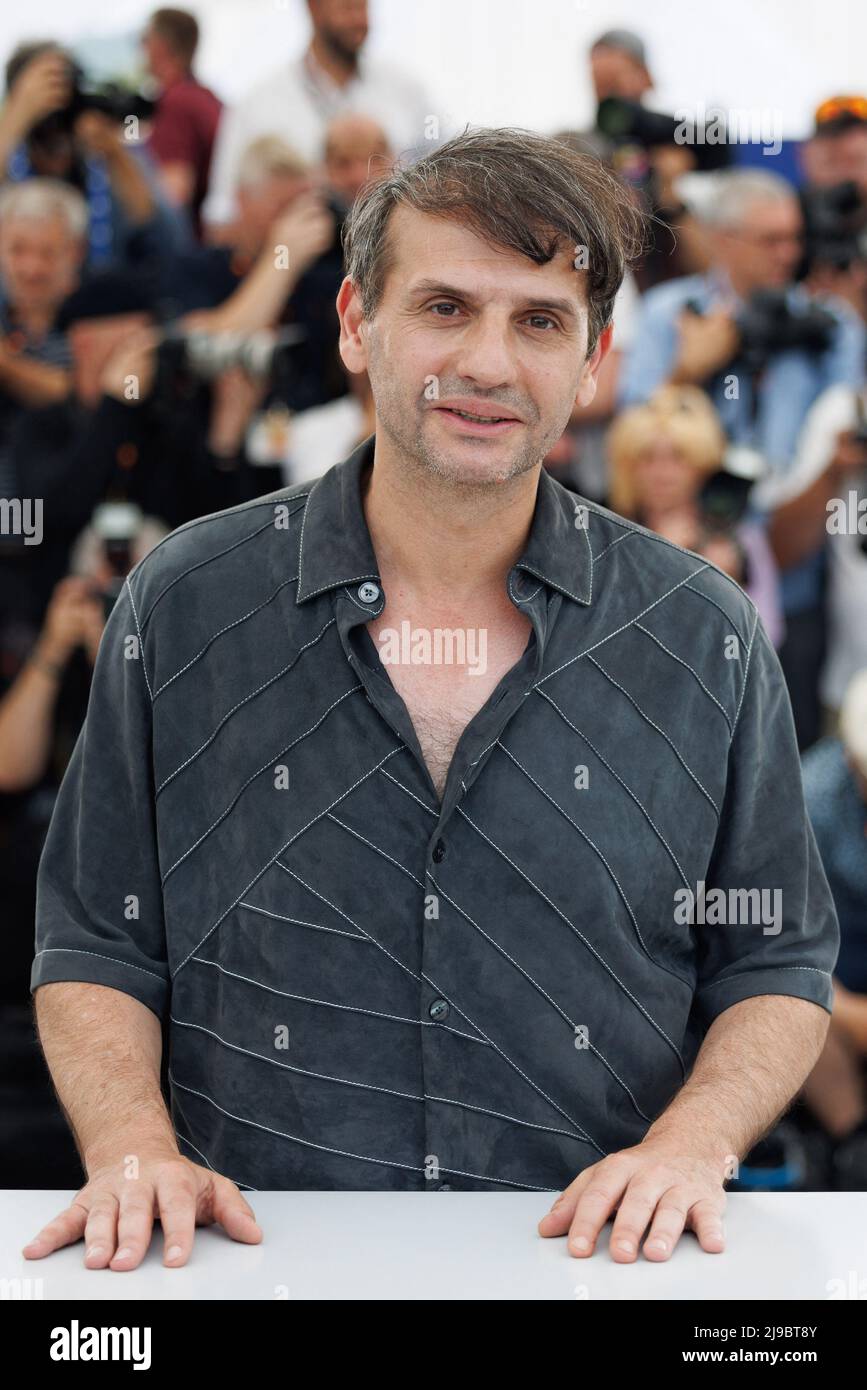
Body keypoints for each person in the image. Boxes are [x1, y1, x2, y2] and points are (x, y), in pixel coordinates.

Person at [26, 128, 837, 1274]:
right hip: (250, 1264)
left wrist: (693, 1144)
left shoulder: (701, 631)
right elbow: (98, 937)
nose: (491, 364)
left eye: (540, 320)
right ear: (360, 324)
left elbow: (775, 962)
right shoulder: (186, 602)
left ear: (597, 357)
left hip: (590, 1270)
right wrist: (128, 1146)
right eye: (446, 307)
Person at [619, 167, 866, 748]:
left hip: (799, 579)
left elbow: (848, 425)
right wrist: (692, 366)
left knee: (787, 755)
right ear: (723, 239)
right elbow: (634, 442)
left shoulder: (829, 324)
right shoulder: (666, 315)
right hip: (684, 578)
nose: (789, 254)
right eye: (770, 240)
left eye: (794, 239)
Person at [202, 0, 430, 234]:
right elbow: (221, 213)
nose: (360, 21)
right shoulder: (259, 106)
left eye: (364, 8)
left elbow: (445, 177)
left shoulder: (406, 92)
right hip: (297, 264)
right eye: (348, 8)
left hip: (393, 255)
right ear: (313, 8)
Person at [605, 386, 784, 646]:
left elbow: (766, 639)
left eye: (678, 458)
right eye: (647, 457)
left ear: (702, 463)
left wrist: (723, 588)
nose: (662, 472)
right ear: (628, 466)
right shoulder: (607, 539)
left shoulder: (739, 539)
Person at [0, 42, 189, 271]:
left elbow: (171, 243)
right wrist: (16, 119)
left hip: (103, 300)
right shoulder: (10, 157)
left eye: (65, 88)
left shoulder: (108, 157)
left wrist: (115, 154)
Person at [801, 670, 867, 1187]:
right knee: (793, 1006)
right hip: (832, 983)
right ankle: (853, 1144)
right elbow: (782, 949)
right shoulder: (809, 798)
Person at [141, 7, 222, 237]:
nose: (141, 49)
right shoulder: (208, 99)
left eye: (144, 39)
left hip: (195, 248)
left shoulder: (175, 103)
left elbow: (172, 198)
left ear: (160, 46)